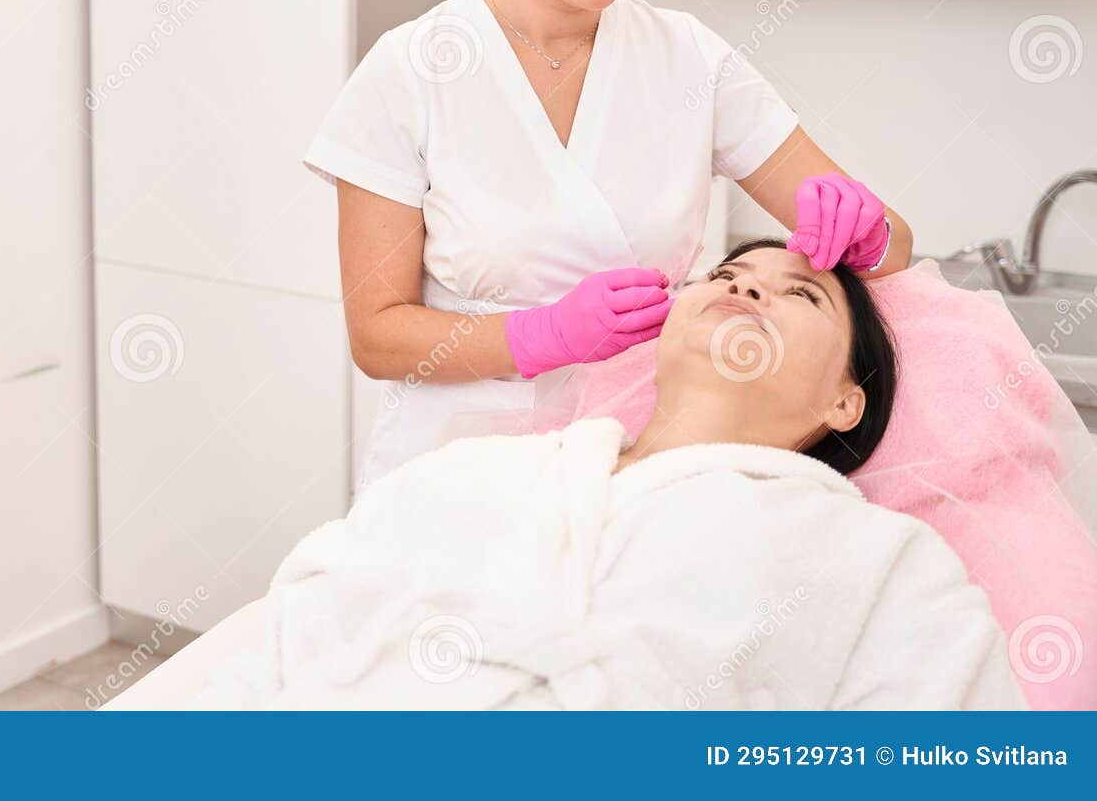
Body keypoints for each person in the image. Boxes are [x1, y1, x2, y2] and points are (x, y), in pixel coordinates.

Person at [303, 0, 913, 485]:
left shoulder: (692, 61)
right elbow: (380, 338)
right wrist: (542, 334)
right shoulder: (411, 73)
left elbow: (896, 246)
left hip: (634, 471)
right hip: (455, 476)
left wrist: (864, 231)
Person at [195, 241, 1024, 710]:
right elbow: (287, 636)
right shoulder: (481, 469)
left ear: (849, 401)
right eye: (727, 277)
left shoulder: (879, 560)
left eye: (799, 296)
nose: (742, 291)